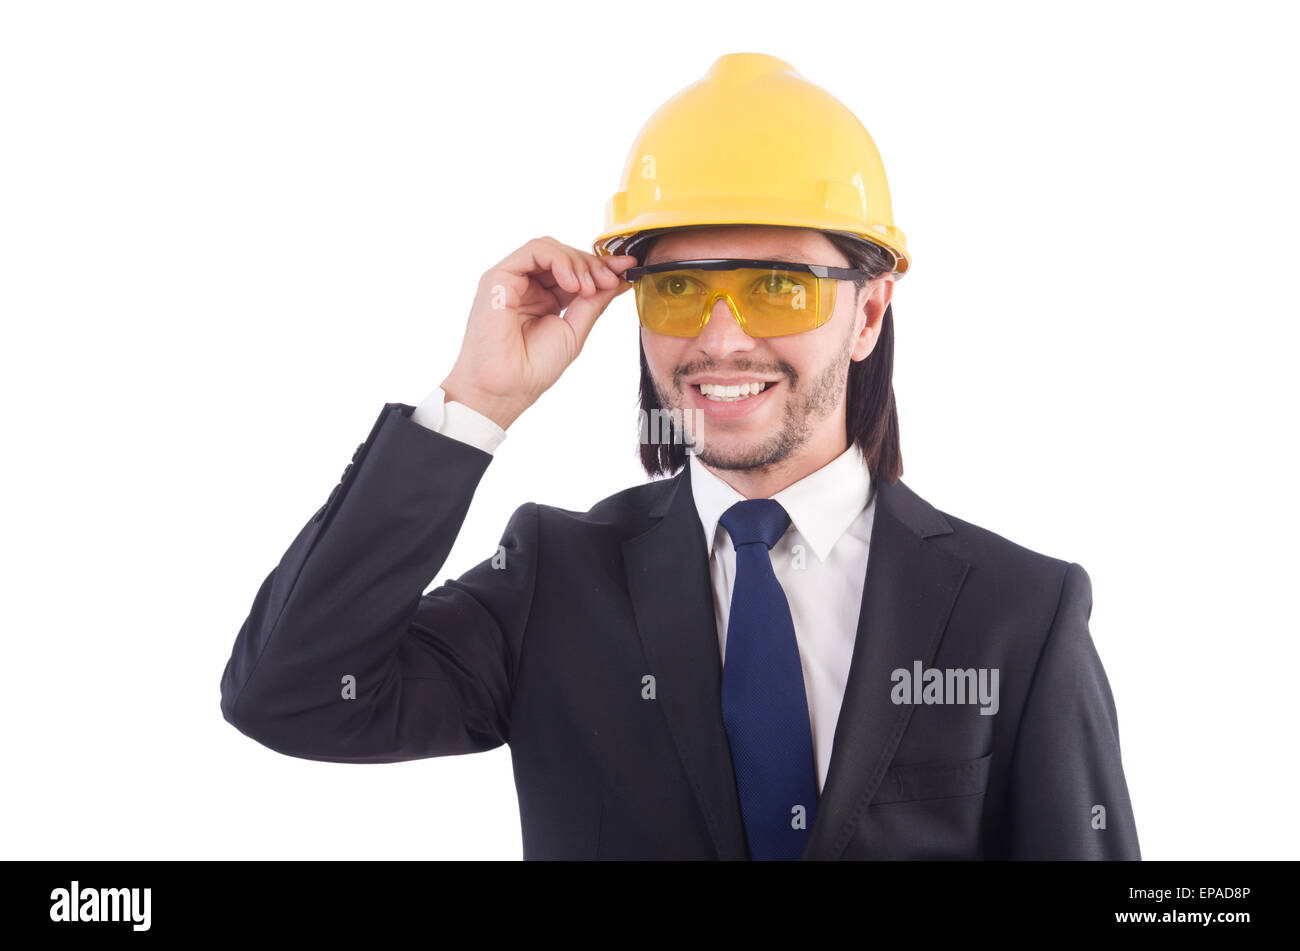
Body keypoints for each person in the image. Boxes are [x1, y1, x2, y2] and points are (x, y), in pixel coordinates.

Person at [220, 52, 1140, 860]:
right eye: (679, 291)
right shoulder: (554, 581)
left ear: (866, 313)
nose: (722, 338)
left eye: (779, 286)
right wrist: (475, 400)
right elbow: (288, 691)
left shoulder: (1018, 612)